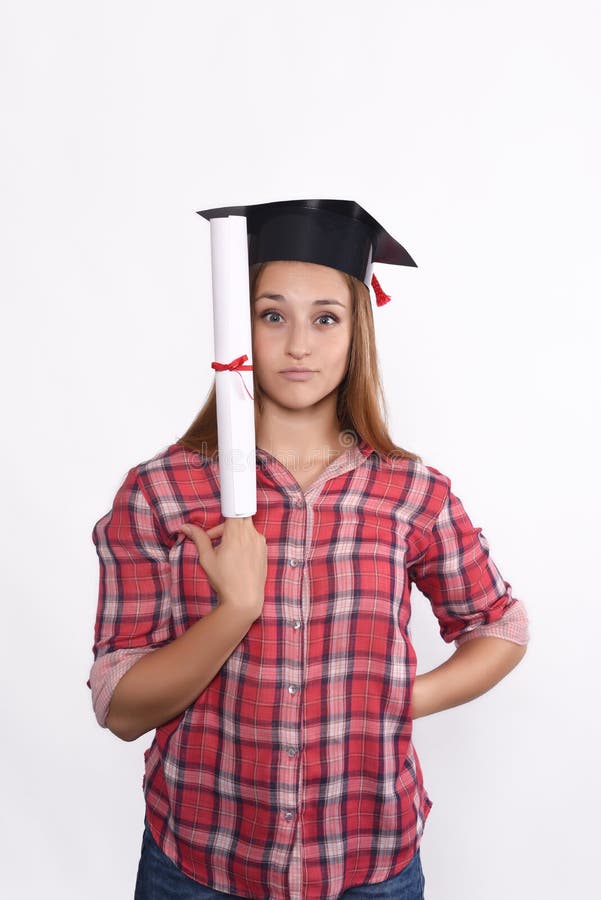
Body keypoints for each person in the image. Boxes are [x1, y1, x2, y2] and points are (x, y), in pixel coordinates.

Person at [89, 200, 530, 900]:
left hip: (367, 862)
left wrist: (393, 701)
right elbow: (121, 709)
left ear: (358, 332)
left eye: (325, 317)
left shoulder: (412, 492)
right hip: (200, 862)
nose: (298, 344)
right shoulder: (161, 490)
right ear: (238, 328)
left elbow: (497, 626)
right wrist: (234, 610)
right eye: (272, 315)